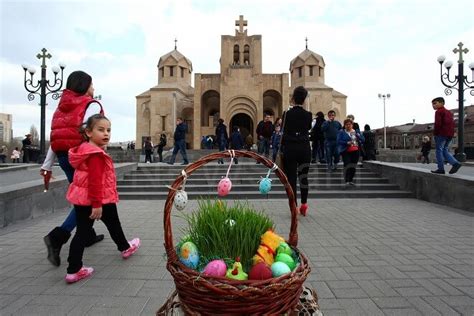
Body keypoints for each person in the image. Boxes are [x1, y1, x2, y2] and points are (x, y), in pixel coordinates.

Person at [65, 114, 140, 283]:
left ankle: (73, 270)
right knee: (113, 225)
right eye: (101, 130)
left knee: (82, 233)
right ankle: (125, 248)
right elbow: (95, 182)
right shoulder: (95, 155)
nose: (106, 133)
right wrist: (97, 205)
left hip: (83, 200)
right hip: (99, 200)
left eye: (108, 130)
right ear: (89, 132)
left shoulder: (83, 149)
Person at [41, 70, 105, 267]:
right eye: (91, 85)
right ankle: (58, 236)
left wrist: (47, 164)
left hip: (64, 157)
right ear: (84, 86)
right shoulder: (90, 104)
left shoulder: (60, 108)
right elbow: (90, 131)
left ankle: (87, 235)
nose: (93, 89)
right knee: (85, 201)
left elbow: (56, 138)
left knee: (82, 197)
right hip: (81, 157)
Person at [281, 86, 313, 216]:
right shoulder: (308, 115)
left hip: (290, 148)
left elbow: (285, 129)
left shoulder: (286, 114)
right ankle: (304, 204)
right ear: (304, 99)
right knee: (303, 177)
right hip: (305, 148)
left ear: (293, 98)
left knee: (292, 179)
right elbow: (308, 127)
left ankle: (293, 206)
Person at [431, 97, 461, 174]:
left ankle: (441, 168)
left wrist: (436, 134)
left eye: (435, 103)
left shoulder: (439, 112)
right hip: (450, 134)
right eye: (432, 104)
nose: (433, 105)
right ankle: (455, 163)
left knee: (439, 150)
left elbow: (438, 124)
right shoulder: (449, 112)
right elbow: (452, 123)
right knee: (444, 150)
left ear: (442, 103)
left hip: (441, 134)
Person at [337, 119, 364, 186]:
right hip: (346, 151)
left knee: (353, 166)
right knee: (347, 164)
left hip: (355, 151)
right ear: (344, 125)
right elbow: (338, 141)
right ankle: (346, 180)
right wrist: (346, 142)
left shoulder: (356, 131)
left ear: (352, 125)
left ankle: (351, 180)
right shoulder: (341, 132)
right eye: (346, 124)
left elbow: (363, 139)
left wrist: (358, 135)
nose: (348, 126)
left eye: (350, 124)